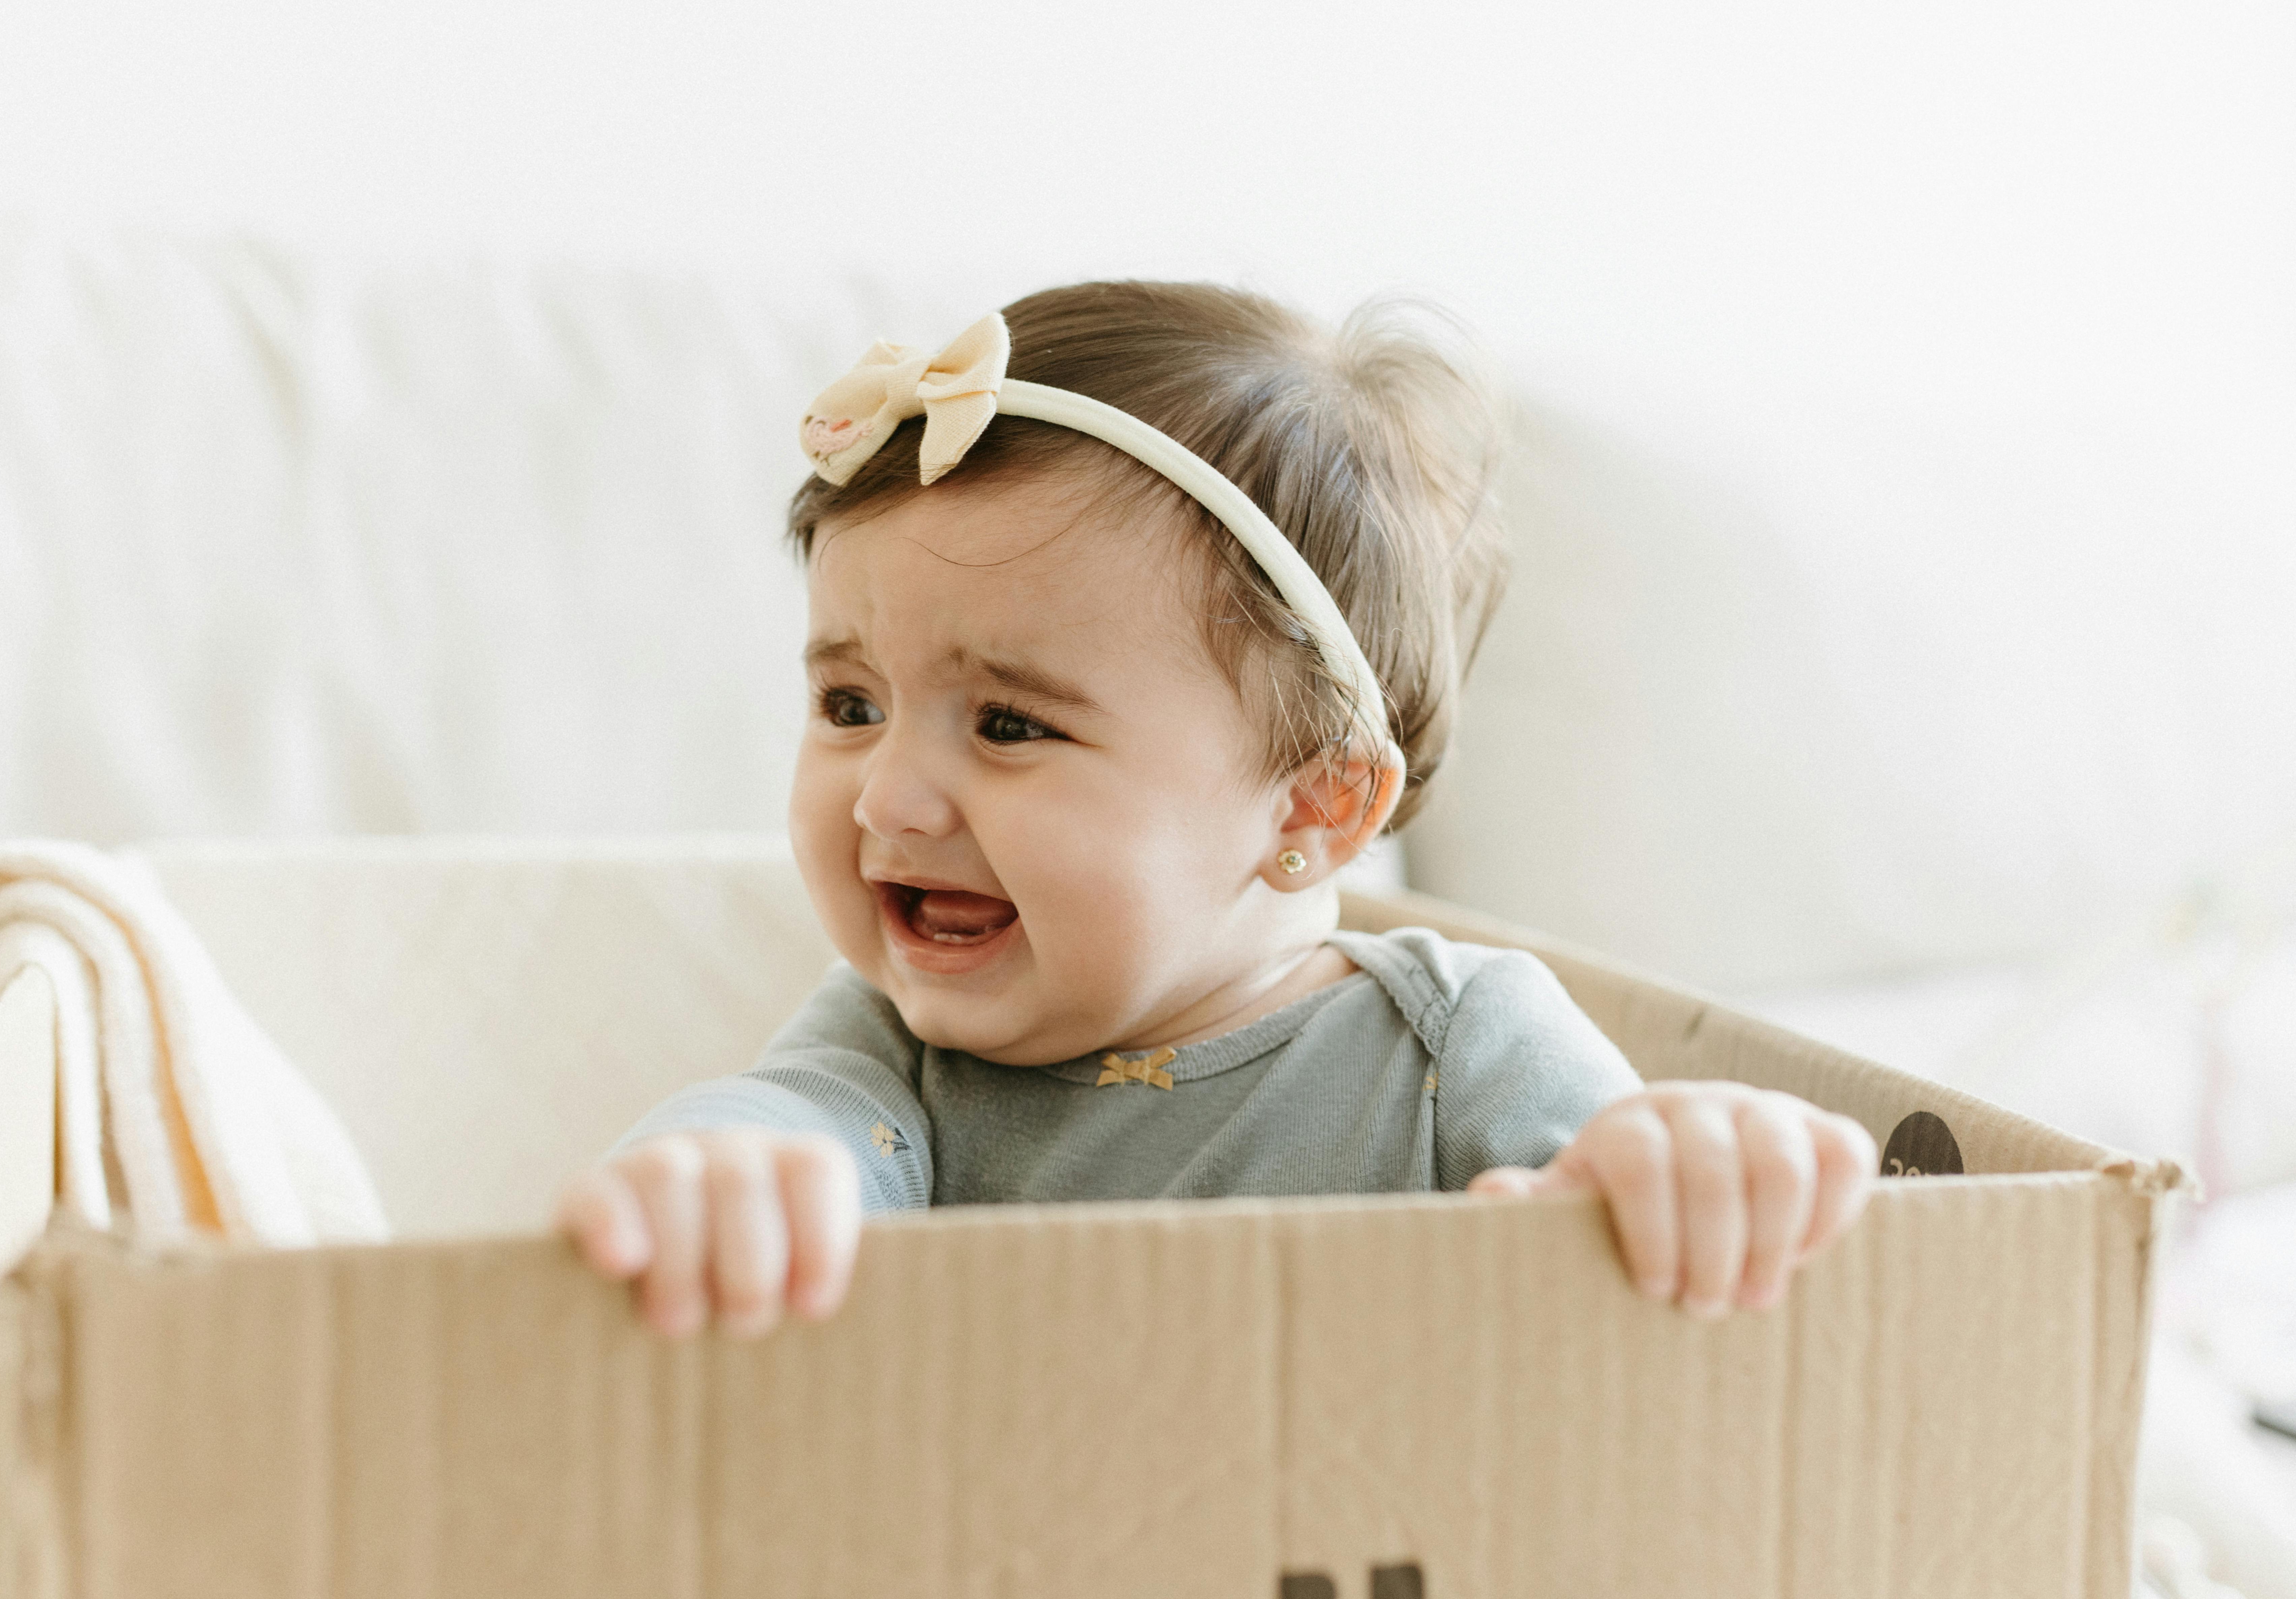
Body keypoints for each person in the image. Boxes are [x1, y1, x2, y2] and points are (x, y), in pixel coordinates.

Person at [557, 281, 1876, 1340]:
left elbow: (1620, 1216)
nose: (889, 797)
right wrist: (715, 1180)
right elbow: (785, 1132)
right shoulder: (891, 1060)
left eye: (1010, 725)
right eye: (850, 704)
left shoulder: (1455, 1046)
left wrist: (1689, 1157)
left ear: (1316, 800)